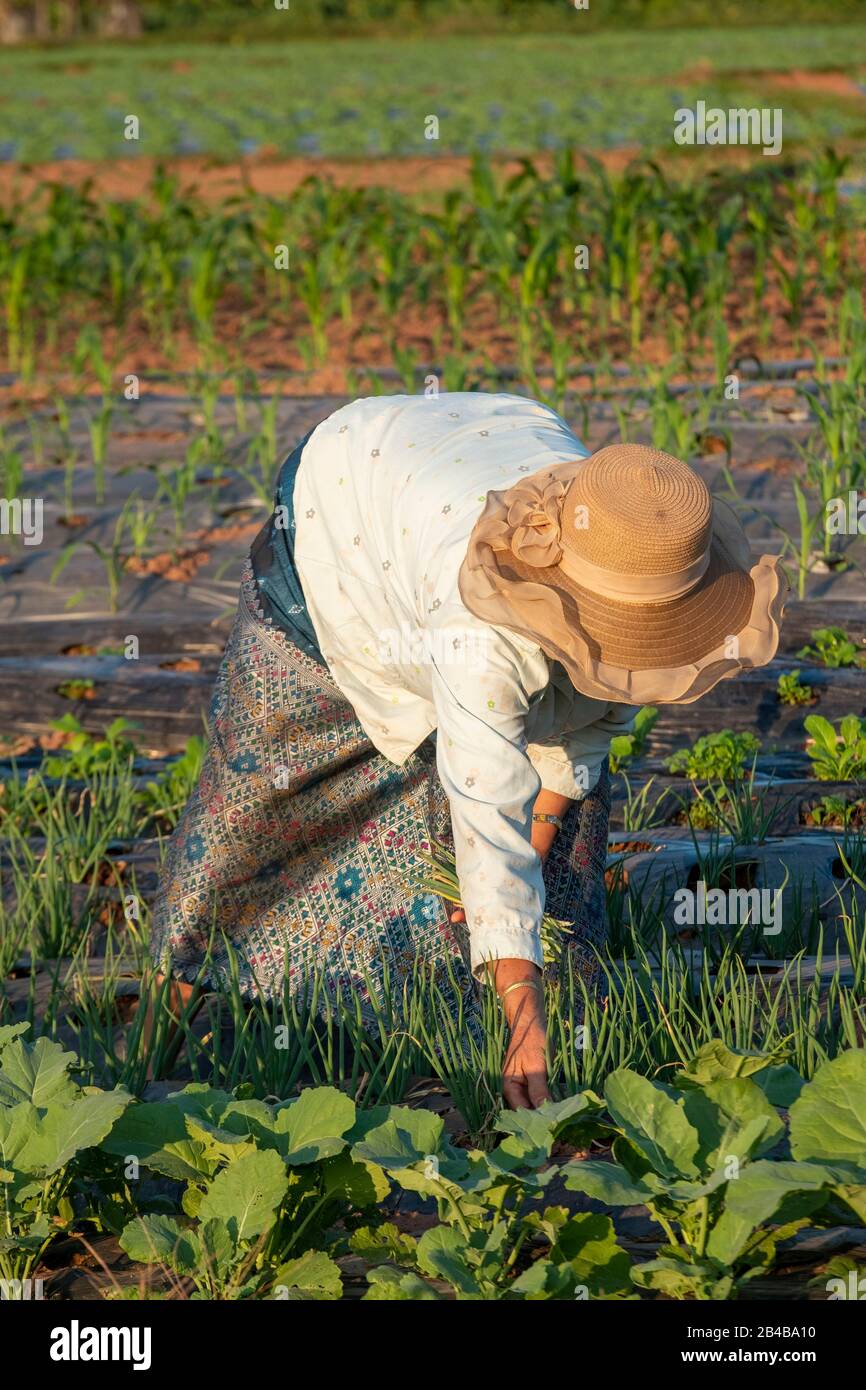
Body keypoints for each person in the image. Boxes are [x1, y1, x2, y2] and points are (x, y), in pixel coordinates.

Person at [149, 392, 786, 1107]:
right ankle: (154, 1032)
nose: (643, 651)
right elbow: (486, 805)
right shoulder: (483, 633)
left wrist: (532, 863)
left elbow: (586, 735)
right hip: (349, 508)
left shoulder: (634, 539)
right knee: (256, 806)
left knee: (546, 859)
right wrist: (524, 1011)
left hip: (463, 456)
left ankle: (449, 1021)